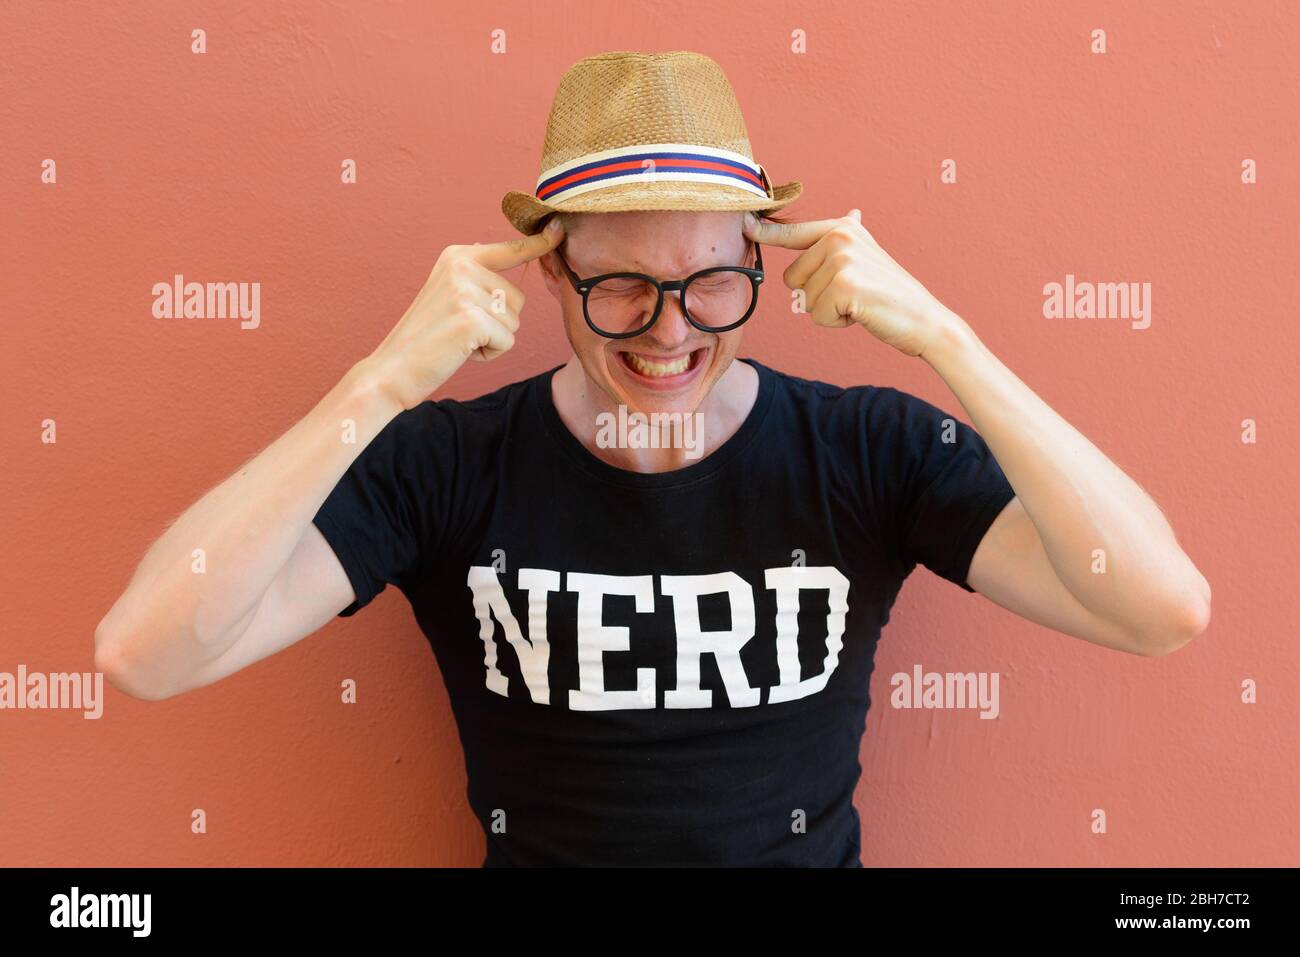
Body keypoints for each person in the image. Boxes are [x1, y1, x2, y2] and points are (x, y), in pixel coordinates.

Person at [94, 50, 1211, 867]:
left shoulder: (869, 451)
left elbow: (1157, 608)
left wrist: (947, 343)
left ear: (761, 263)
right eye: (620, 284)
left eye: (710, 281)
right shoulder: (442, 464)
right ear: (550, 275)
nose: (668, 331)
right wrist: (384, 377)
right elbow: (148, 652)